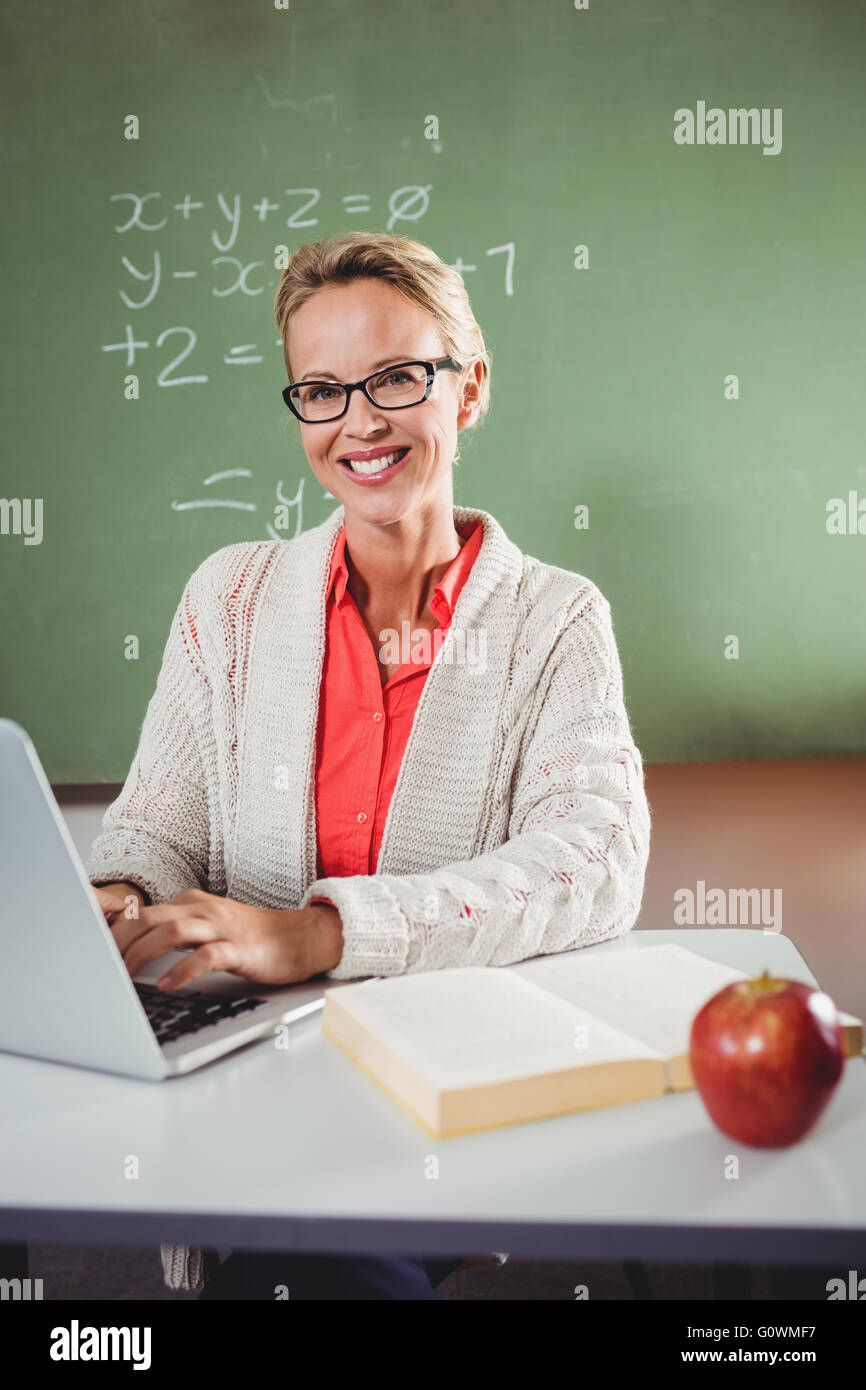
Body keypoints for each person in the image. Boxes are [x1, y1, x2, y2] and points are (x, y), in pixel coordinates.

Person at [86, 231, 652, 1299]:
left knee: (323, 1258)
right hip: (244, 1067)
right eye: (322, 391)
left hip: (447, 1083)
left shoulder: (555, 619)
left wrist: (319, 933)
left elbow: (596, 860)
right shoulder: (229, 598)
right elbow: (158, 826)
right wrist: (117, 896)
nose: (360, 422)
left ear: (468, 388)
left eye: (397, 377)